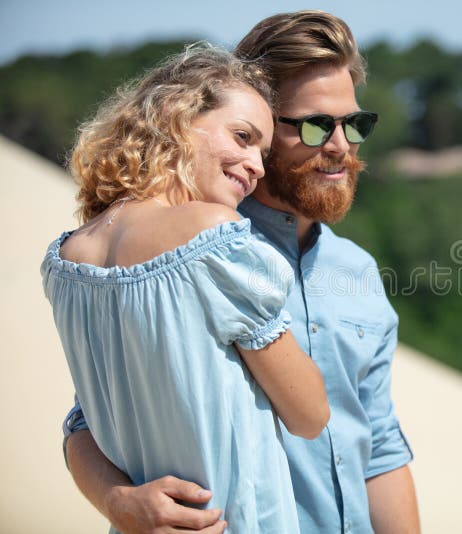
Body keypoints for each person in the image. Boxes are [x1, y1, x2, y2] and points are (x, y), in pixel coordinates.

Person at [62, 10, 421, 534]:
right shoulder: (181, 250)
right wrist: (119, 501)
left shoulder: (358, 270)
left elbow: (379, 445)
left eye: (355, 124)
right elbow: (88, 416)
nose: (341, 146)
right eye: (319, 125)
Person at [44, 44, 331, 533]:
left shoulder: (67, 257)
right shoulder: (212, 235)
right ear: (174, 119)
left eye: (261, 153)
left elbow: (82, 423)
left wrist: (117, 502)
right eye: (242, 137)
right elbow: (309, 414)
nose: (257, 166)